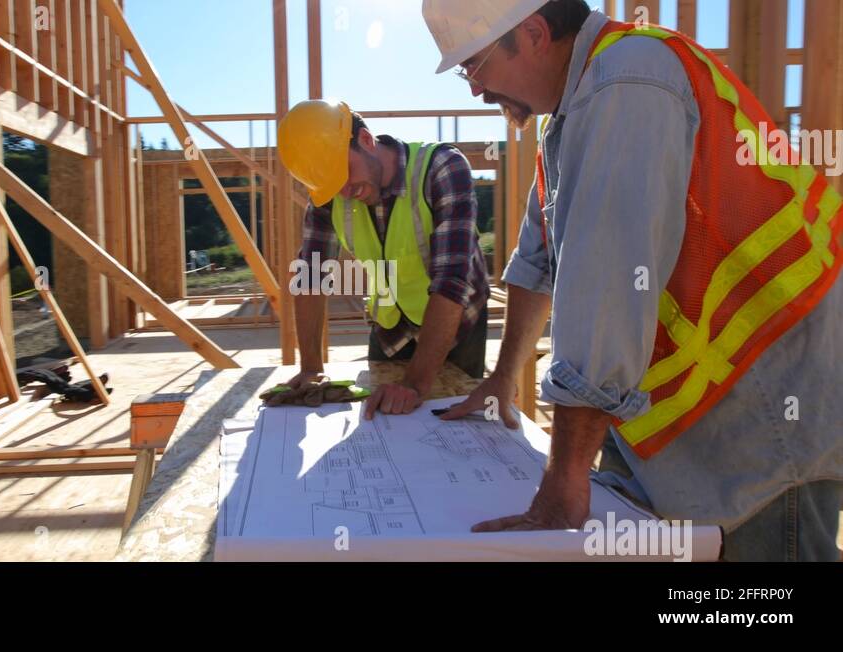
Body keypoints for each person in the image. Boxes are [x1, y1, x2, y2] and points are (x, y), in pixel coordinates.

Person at [422, 0, 842, 560]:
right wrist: (502, 379)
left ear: (535, 34)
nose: (475, 89)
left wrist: (566, 474)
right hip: (677, 424)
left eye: (473, 66)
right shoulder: (570, 116)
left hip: (760, 421)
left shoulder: (628, 81)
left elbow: (611, 285)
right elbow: (535, 263)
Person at [277, 100, 490, 418]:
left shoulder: (441, 168)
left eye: (345, 173)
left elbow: (452, 281)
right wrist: (310, 368)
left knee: (452, 419)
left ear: (365, 140)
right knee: (385, 423)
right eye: (333, 184)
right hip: (391, 324)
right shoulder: (332, 193)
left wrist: (414, 385)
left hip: (456, 322)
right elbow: (309, 278)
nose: (345, 191)